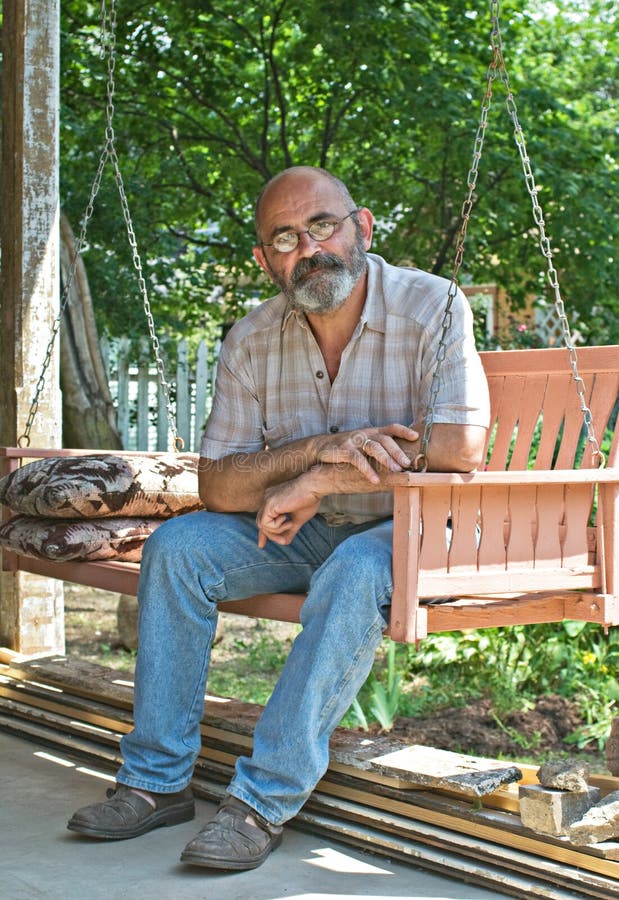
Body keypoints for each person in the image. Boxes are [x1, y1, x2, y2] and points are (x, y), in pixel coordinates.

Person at [68, 166, 490, 871]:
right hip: (308, 532)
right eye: (285, 237)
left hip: (417, 527)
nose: (309, 247)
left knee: (356, 569)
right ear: (266, 260)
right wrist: (314, 452)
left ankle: (260, 803)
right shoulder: (253, 337)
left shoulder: (431, 304)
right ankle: (155, 782)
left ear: (361, 227)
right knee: (181, 547)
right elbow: (218, 483)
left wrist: (321, 478)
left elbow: (456, 446)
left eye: (322, 224)